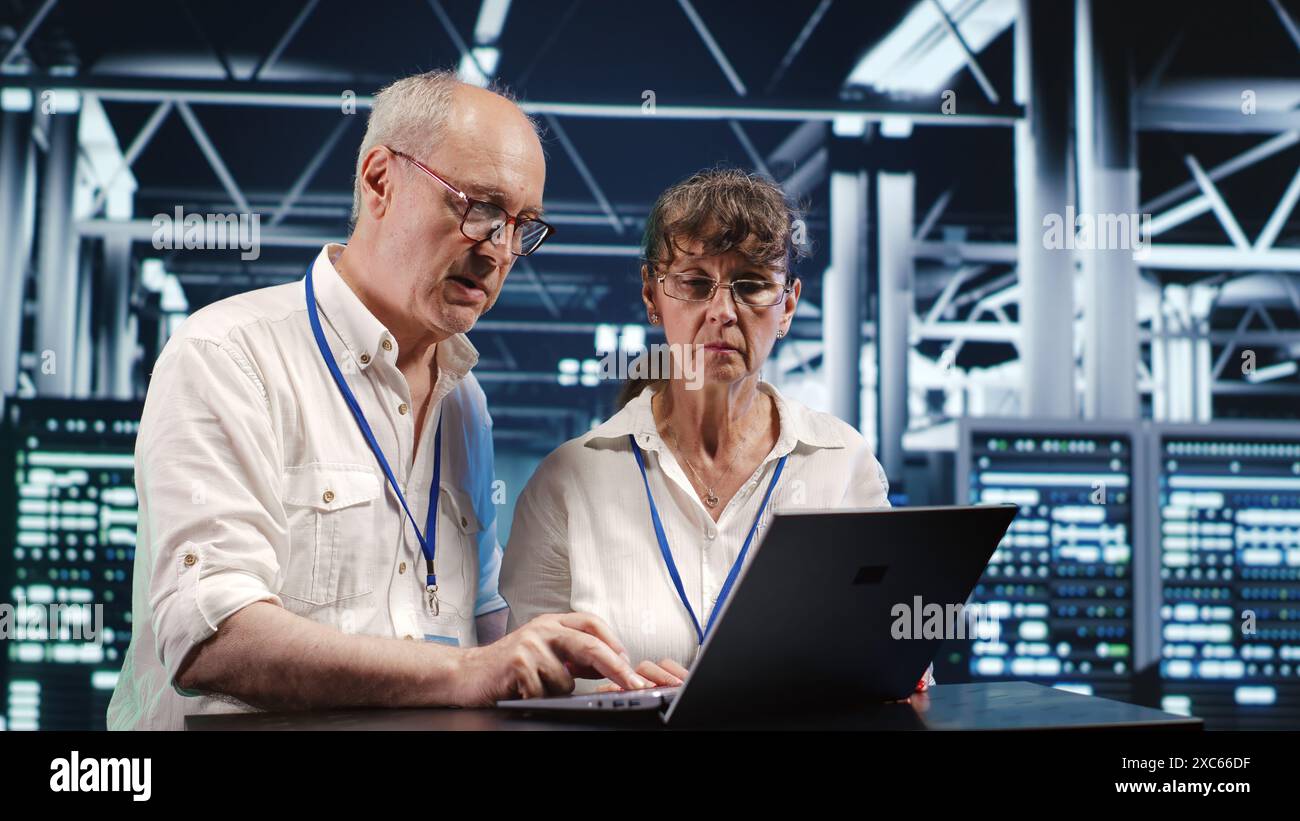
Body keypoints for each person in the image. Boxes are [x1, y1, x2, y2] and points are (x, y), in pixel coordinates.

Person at [108, 70, 645, 730]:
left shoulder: (464, 401)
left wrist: (608, 678)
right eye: (478, 207)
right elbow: (211, 636)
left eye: (522, 225)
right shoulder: (230, 355)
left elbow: (476, 618)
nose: (500, 250)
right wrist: (468, 673)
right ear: (380, 180)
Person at [500, 168, 933, 693]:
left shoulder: (841, 462)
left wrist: (898, 665)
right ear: (652, 296)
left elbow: (891, 659)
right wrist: (613, 696)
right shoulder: (569, 480)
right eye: (695, 283)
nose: (723, 312)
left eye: (751, 285)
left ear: (788, 306)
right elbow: (526, 683)